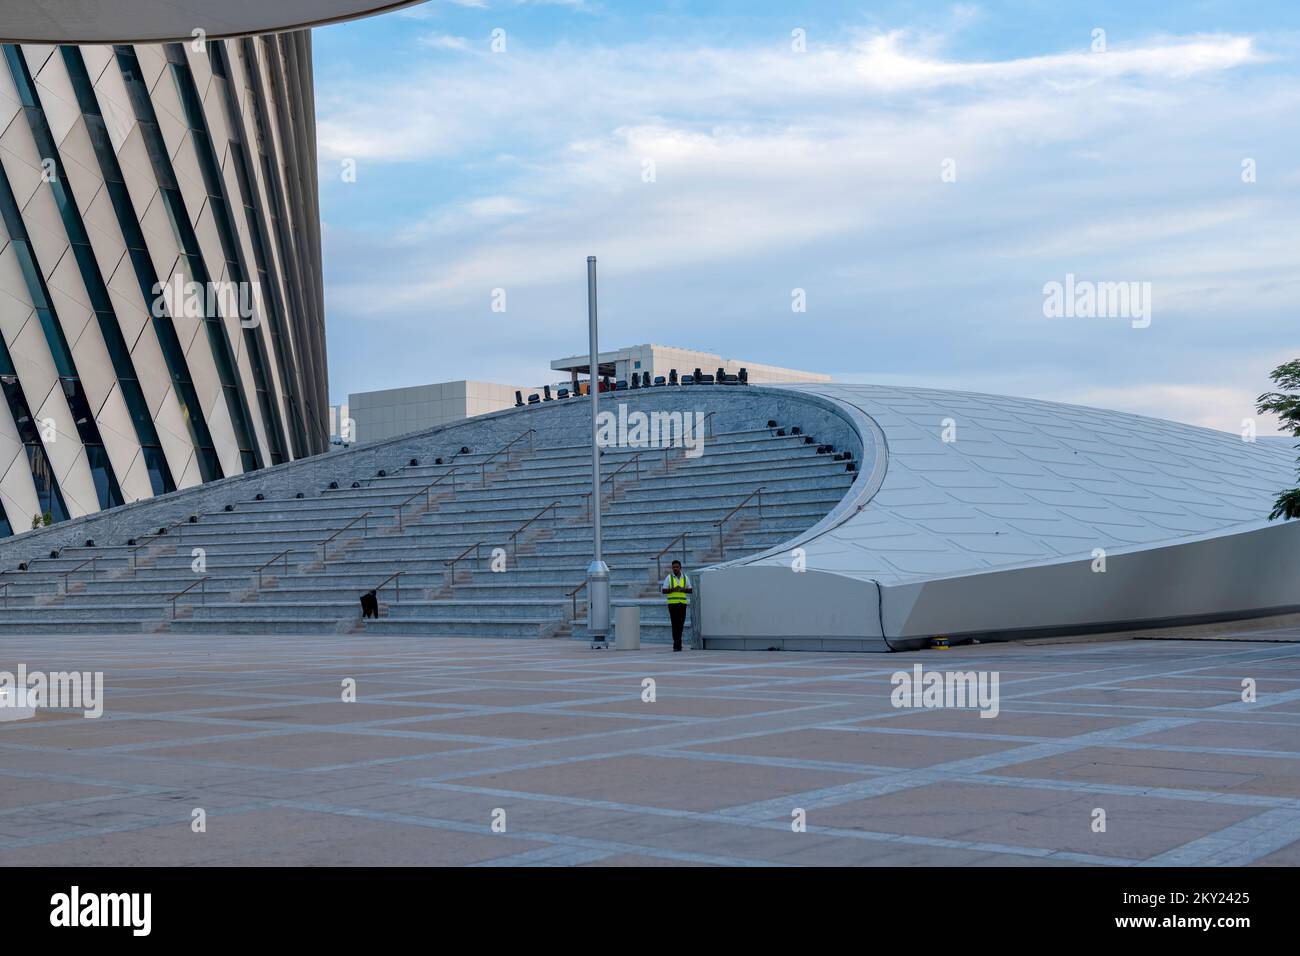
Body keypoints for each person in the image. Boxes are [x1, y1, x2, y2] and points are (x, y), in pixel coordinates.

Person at [661, 559, 693, 652]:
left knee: (681, 624)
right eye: (673, 567)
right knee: (675, 624)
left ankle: (678, 643)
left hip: (682, 604)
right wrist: (673, 589)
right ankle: (677, 645)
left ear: (680, 568)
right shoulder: (669, 578)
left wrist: (683, 589)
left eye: (677, 567)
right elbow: (664, 590)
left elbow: (690, 590)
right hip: (672, 605)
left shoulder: (685, 577)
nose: (675, 568)